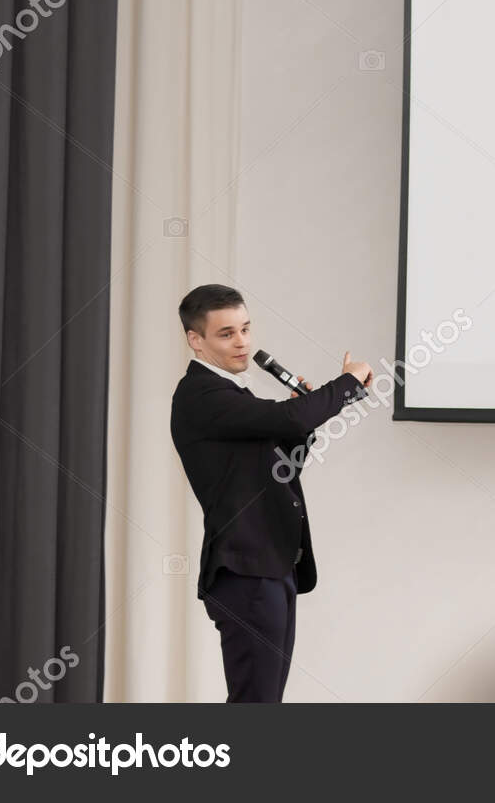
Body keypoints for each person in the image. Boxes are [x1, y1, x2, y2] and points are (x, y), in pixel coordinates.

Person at [170, 284, 372, 702]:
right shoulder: (200, 394)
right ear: (196, 340)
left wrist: (306, 417)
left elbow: (280, 467)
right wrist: (345, 385)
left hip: (270, 566)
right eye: (226, 334)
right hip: (247, 573)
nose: (242, 342)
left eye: (245, 329)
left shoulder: (230, 396)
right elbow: (287, 416)